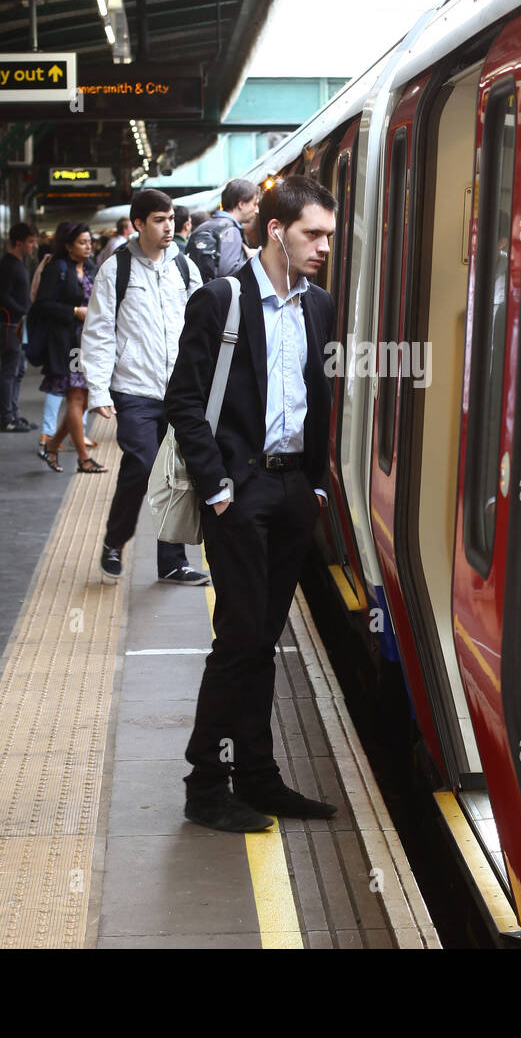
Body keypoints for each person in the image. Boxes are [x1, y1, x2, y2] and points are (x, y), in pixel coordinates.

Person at [165, 174, 338, 832]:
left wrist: (315, 484)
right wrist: (217, 487)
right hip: (239, 492)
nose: (323, 245)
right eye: (311, 234)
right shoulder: (221, 300)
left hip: (293, 490)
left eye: (327, 233)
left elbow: (318, 398)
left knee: (263, 640)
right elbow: (184, 400)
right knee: (239, 640)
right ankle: (206, 783)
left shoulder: (319, 306)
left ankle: (259, 777)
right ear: (275, 231)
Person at [83, 190, 208, 586]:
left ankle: (171, 561)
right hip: (134, 389)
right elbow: (100, 332)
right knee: (141, 463)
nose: (168, 226)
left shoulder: (186, 268)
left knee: (174, 472)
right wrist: (98, 390)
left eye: (170, 218)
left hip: (179, 392)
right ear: (138, 224)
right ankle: (115, 541)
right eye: (158, 219)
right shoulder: (115, 270)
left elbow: (201, 330)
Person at [31, 222, 101, 473]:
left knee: (83, 400)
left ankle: (51, 447)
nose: (88, 247)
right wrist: (74, 311)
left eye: (89, 242)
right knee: (76, 396)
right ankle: (83, 458)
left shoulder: (92, 269)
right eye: (82, 243)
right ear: (69, 246)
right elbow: (42, 305)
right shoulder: (57, 269)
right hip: (65, 343)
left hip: (89, 343)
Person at [0, 222, 38, 432]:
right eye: (30, 242)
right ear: (19, 243)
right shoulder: (8, 265)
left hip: (18, 324)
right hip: (10, 325)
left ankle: (13, 414)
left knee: (18, 371)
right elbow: (3, 296)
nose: (34, 246)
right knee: (10, 372)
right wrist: (23, 310)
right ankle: (7, 418)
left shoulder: (18, 263)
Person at [187, 179, 259, 281]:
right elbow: (228, 273)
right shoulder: (230, 230)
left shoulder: (205, 226)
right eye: (255, 204)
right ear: (241, 204)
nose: (257, 210)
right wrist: (253, 260)